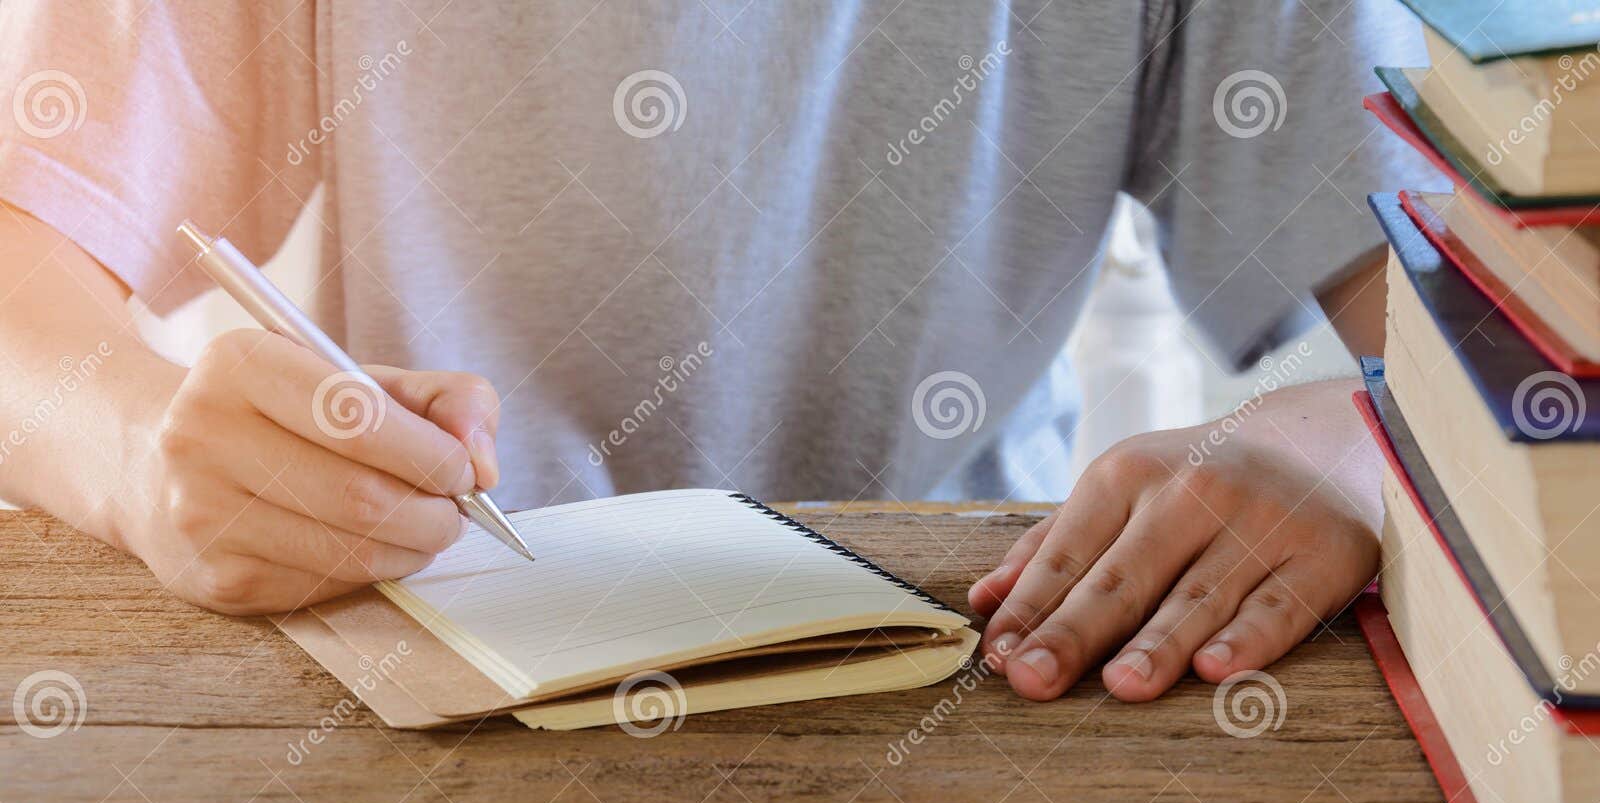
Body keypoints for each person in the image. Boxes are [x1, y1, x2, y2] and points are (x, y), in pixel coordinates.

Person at [0, 1, 1425, 703]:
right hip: (438, 665)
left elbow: (1503, 337)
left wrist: (1351, 442)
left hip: (989, 665)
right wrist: (136, 446)